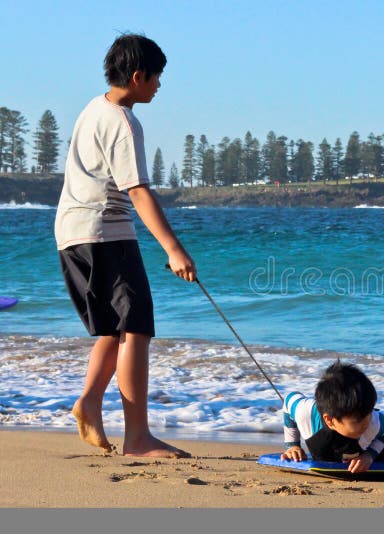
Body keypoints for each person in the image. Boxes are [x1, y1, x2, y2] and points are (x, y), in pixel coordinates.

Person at [54, 34, 196, 458]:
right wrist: (174, 249)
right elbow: (137, 191)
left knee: (114, 328)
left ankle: (90, 402)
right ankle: (137, 437)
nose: (158, 86)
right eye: (156, 78)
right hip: (105, 231)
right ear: (137, 77)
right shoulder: (122, 121)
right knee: (136, 328)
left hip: (72, 232)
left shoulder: (91, 110)